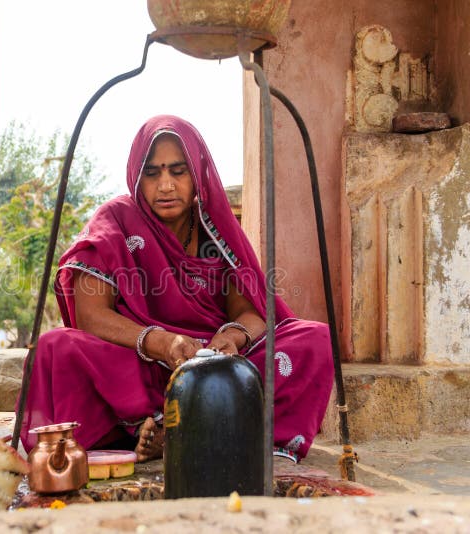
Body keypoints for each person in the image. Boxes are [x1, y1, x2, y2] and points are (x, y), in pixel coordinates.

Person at [19, 114, 334, 463]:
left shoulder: (215, 229)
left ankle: (184, 433)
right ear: (137, 176)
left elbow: (250, 312)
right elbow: (90, 316)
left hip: (210, 367)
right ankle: (159, 429)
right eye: (152, 173)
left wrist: (232, 338)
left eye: (178, 171)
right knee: (54, 347)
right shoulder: (116, 220)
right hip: (140, 364)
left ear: (197, 174)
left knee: (314, 338)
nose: (166, 185)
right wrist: (162, 342)